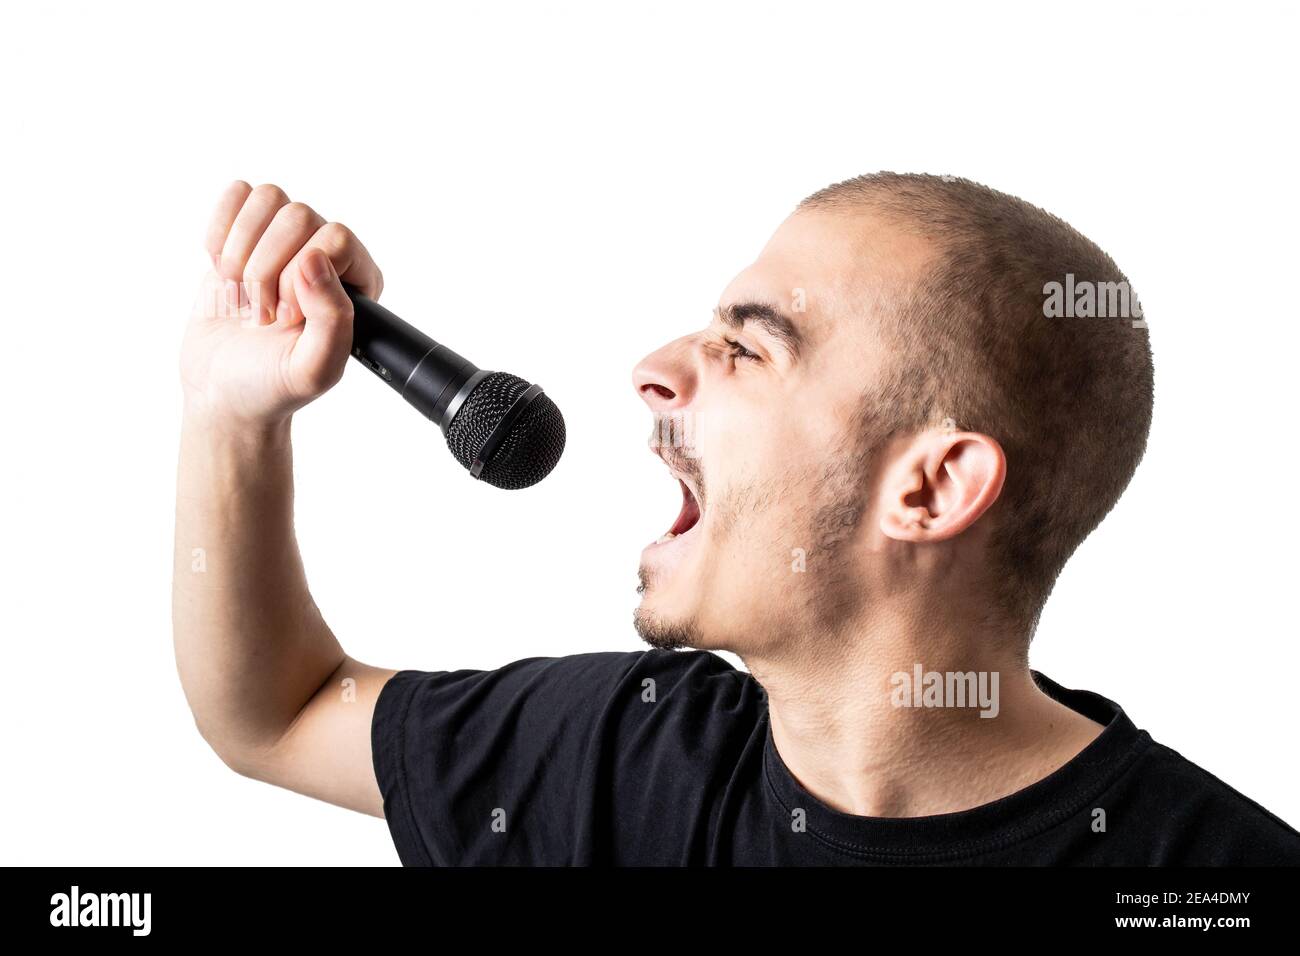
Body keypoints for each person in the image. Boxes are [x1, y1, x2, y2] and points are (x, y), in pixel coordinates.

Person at [173, 174, 1300, 865]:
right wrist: (233, 415)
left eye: (748, 344)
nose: (653, 368)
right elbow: (275, 713)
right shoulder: (619, 752)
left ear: (932, 486)